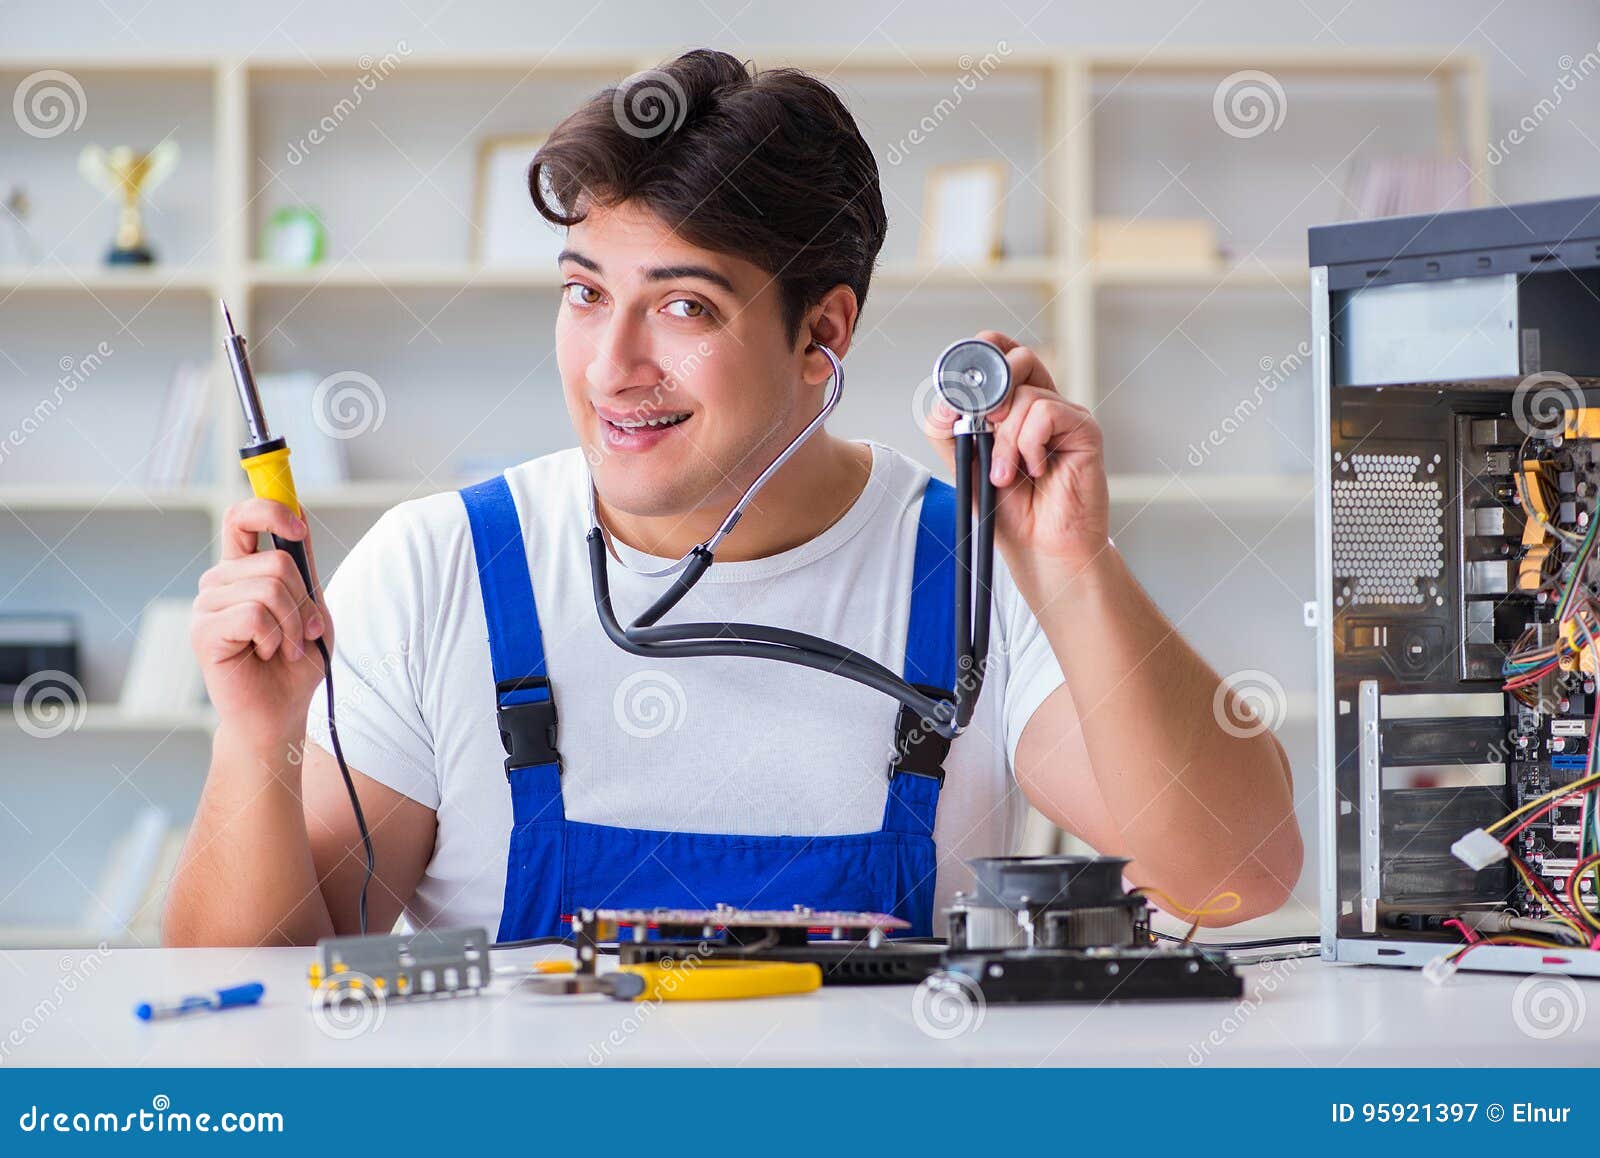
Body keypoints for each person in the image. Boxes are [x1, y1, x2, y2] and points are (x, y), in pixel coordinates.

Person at [164, 49, 1300, 947]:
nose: (611, 365)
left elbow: (1235, 879)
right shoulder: (438, 566)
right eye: (583, 292)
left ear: (823, 333)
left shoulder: (963, 566)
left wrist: (1069, 570)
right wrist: (255, 740)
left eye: (684, 308)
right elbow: (250, 1000)